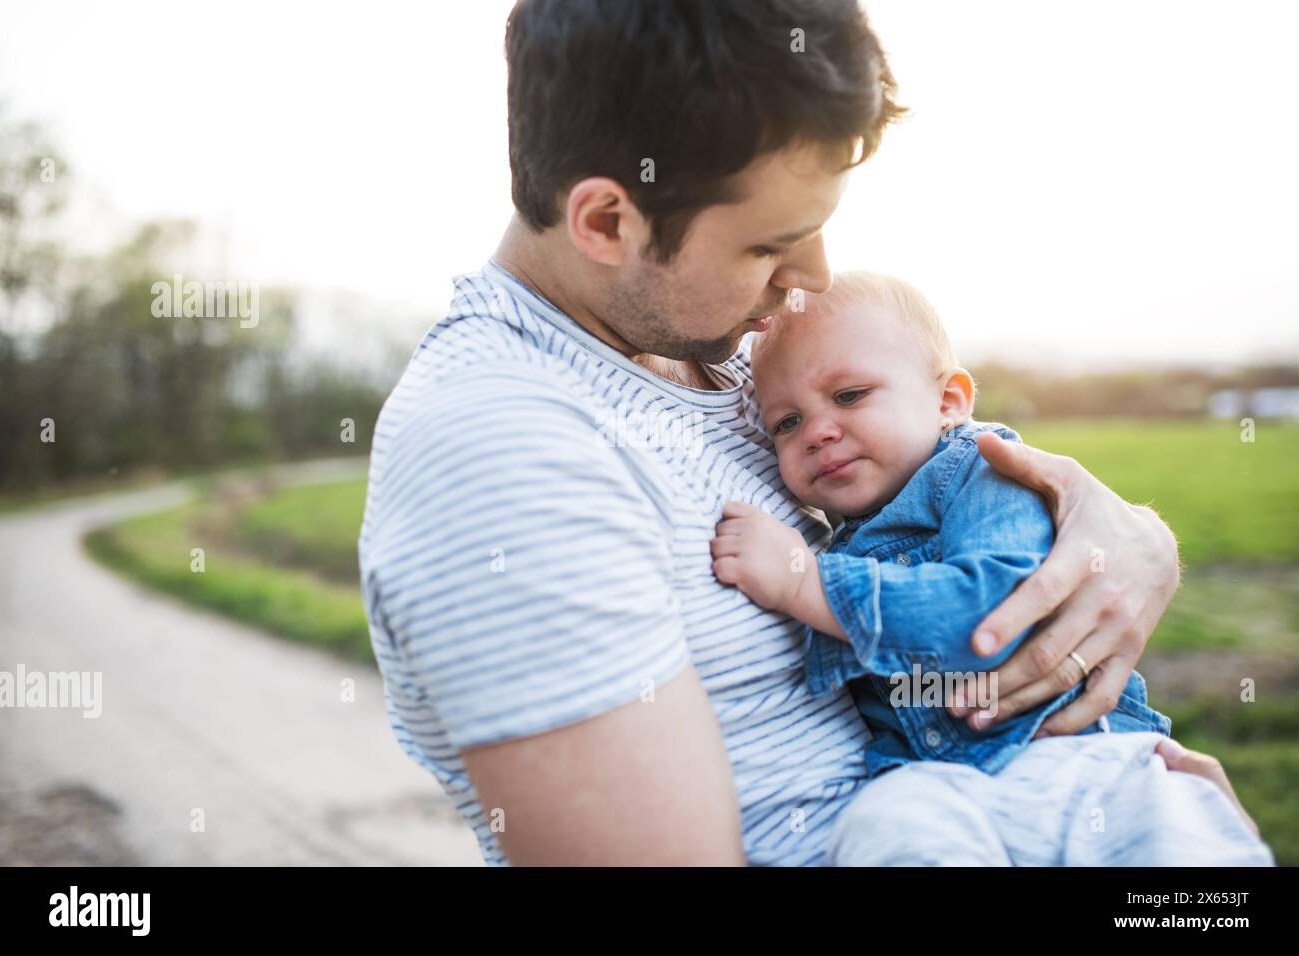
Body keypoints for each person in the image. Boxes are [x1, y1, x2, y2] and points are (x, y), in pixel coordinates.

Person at [358, 0, 1235, 866]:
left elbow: (961, 467)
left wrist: (1133, 539)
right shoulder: (501, 457)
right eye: (770, 246)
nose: (811, 279)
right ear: (606, 223)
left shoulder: (741, 359)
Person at [711, 272, 1272, 864]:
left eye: (850, 395)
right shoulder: (841, 534)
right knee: (884, 824)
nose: (819, 431)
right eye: (786, 423)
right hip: (933, 781)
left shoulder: (980, 473)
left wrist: (803, 581)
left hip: (1078, 760)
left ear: (948, 401)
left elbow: (990, 613)